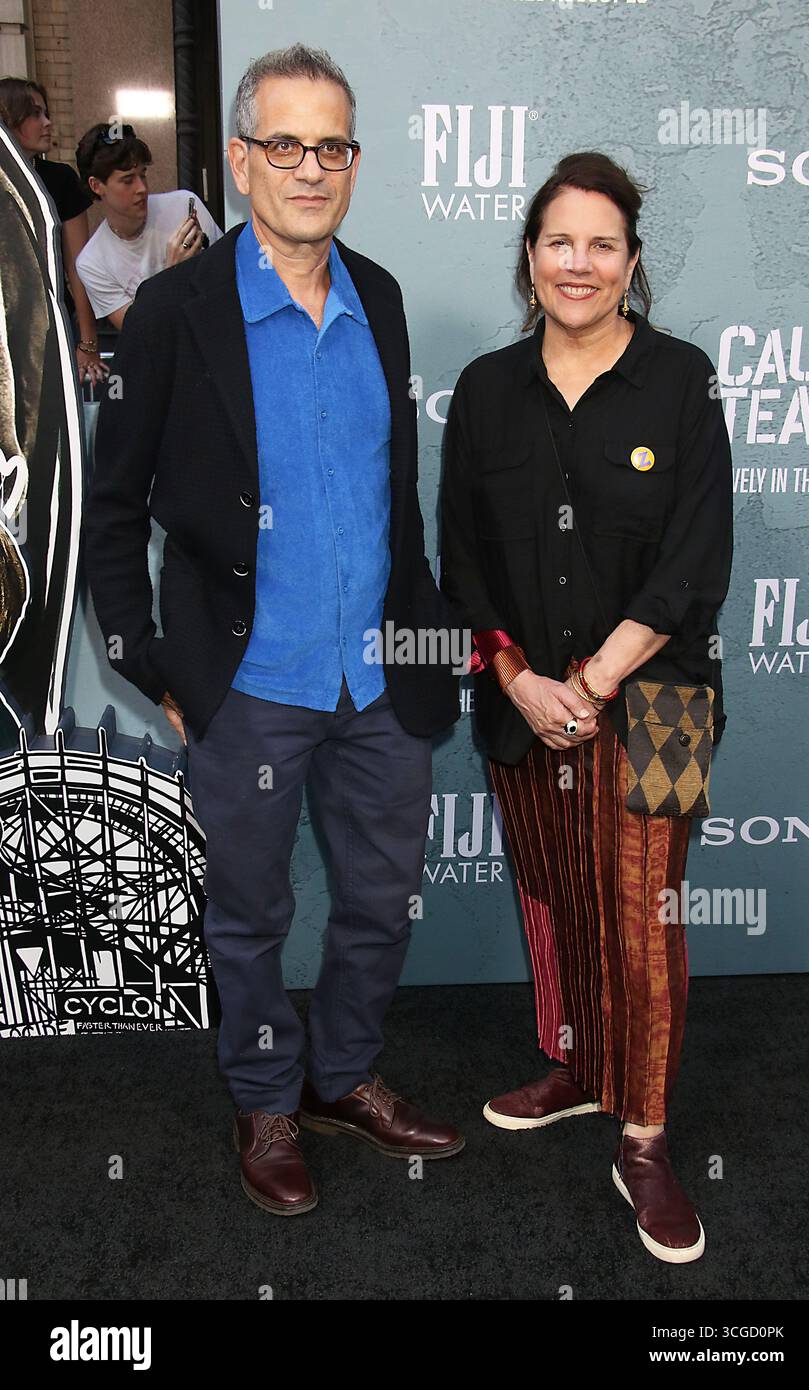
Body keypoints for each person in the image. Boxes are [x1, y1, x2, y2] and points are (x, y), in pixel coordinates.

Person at [84, 44, 463, 1218]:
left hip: (380, 674)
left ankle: (341, 1074)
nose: (311, 167)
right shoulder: (174, 314)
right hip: (247, 676)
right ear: (242, 161)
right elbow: (115, 505)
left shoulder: (384, 297)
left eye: (332, 145)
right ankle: (262, 1096)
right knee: (250, 910)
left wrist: (431, 639)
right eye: (286, 144)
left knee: (378, 895)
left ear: (355, 162)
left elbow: (395, 496)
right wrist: (150, 658)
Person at [440, 151, 733, 1263]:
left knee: (645, 921)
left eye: (602, 243)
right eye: (559, 240)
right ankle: (573, 1063)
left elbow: (697, 565)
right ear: (529, 256)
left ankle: (646, 1136)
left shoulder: (682, 379)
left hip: (655, 706)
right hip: (524, 700)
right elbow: (461, 562)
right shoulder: (484, 391)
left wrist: (596, 681)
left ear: (631, 261)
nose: (579, 262)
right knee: (557, 897)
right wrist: (517, 675)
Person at [0, 76, 106, 383]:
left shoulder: (59, 179)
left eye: (47, 113)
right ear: (8, 118)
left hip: (53, 321)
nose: (47, 123)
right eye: (34, 114)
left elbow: (78, 266)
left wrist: (88, 343)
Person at [74, 121, 222, 330]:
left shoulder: (184, 205)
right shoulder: (93, 262)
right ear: (97, 186)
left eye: (142, 175)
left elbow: (228, 277)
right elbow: (139, 335)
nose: (142, 188)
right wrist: (171, 275)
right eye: (127, 180)